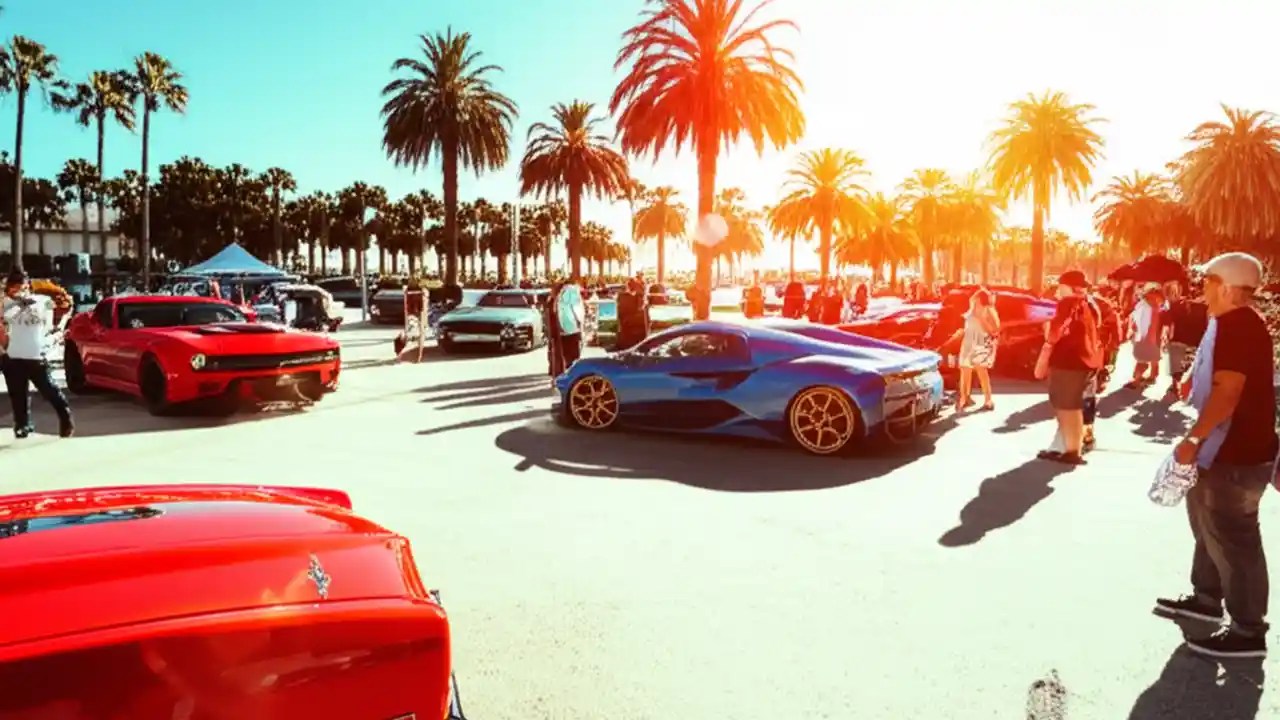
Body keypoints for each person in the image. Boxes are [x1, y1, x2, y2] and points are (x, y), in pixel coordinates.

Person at [1156, 252, 1278, 659]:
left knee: (1234, 538)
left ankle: (1248, 630)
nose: (1201, 287)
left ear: (1226, 286)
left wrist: (1193, 439)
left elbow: (1229, 391)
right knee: (1209, 528)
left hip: (1236, 454)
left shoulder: (1239, 326)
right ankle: (1207, 600)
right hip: (1222, 452)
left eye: (1207, 280)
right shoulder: (1224, 324)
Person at [1, 269, 74, 439]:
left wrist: (58, 327)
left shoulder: (41, 302)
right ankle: (22, 425)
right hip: (13, 356)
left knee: (49, 390)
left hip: (36, 354)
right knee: (18, 394)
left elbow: (65, 302)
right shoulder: (4, 304)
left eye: (21, 286)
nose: (17, 291)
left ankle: (65, 418)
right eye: (14, 287)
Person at [1038, 270, 1102, 466]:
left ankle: (1073, 450)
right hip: (1085, 360)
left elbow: (1057, 330)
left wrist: (1048, 344)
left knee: (1067, 406)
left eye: (1060, 285)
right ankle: (1067, 447)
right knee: (1071, 405)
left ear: (1067, 286)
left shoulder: (1068, 303)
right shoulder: (1087, 304)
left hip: (1069, 361)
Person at [953, 288, 1000, 412]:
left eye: (975, 297)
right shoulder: (971, 309)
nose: (972, 298)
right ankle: (965, 398)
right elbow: (967, 325)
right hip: (968, 342)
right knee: (965, 370)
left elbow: (995, 329)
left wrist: (980, 318)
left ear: (979, 298)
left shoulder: (988, 310)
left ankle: (988, 400)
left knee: (981, 371)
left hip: (982, 342)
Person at [1161, 282, 1209, 399]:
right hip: (1195, 340)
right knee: (1188, 365)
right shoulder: (1206, 307)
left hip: (1178, 339)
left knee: (1176, 366)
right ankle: (1184, 388)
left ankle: (1176, 387)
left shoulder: (1176, 305)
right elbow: (1208, 323)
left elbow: (1169, 324)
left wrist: (1165, 338)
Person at [1126, 284, 1165, 388]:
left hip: (1149, 336)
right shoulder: (1149, 307)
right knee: (1150, 356)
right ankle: (1150, 377)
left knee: (1143, 358)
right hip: (1151, 335)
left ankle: (1137, 380)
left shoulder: (1150, 307)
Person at [615, 278, 649, 351]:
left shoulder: (623, 297)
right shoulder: (637, 298)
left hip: (628, 330)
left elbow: (620, 316)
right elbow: (640, 309)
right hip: (634, 332)